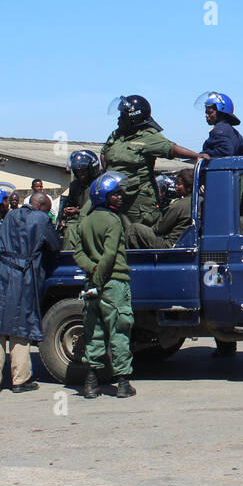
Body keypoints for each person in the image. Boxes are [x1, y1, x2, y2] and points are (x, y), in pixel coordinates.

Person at [0, 192, 61, 394]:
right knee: (21, 326)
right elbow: (54, 245)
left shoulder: (11, 215)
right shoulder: (42, 219)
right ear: (42, 207)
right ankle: (20, 380)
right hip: (23, 273)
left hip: (1, 271)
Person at [102, 95, 208, 229]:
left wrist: (196, 156)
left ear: (133, 118)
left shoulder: (149, 137)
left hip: (138, 200)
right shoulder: (116, 135)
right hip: (115, 195)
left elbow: (172, 149)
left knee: (136, 234)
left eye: (122, 115)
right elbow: (105, 152)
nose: (118, 118)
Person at [74, 171, 134, 399]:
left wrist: (92, 272)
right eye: (115, 194)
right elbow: (109, 256)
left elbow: (78, 253)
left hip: (92, 284)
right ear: (103, 196)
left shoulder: (85, 221)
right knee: (119, 331)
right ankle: (123, 383)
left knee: (94, 332)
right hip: (113, 283)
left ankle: (90, 383)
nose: (120, 197)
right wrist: (100, 277)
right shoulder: (113, 220)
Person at [126, 168, 195, 248]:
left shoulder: (180, 205)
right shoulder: (199, 201)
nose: (176, 186)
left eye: (179, 184)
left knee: (134, 228)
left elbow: (159, 229)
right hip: (185, 242)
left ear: (189, 187)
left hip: (170, 244)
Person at [59, 149, 101, 251]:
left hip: (97, 219)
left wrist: (78, 211)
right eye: (77, 170)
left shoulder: (101, 183)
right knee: (68, 229)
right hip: (78, 220)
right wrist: (64, 217)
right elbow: (70, 204)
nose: (80, 173)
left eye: (83, 170)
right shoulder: (75, 185)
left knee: (72, 229)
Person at [199, 91, 243, 158]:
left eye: (210, 112)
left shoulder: (219, 130)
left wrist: (206, 154)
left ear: (221, 113)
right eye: (206, 112)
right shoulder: (230, 130)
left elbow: (225, 151)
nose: (206, 115)